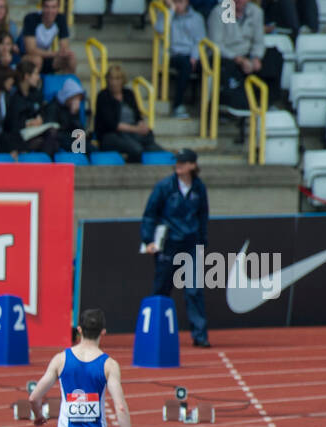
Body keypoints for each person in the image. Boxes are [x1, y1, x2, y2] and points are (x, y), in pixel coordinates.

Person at [142, 148, 211, 347]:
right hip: (168, 245)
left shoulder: (199, 188)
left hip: (191, 244)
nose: (178, 165)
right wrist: (148, 241)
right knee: (162, 289)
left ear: (192, 165)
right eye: (177, 161)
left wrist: (202, 241)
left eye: (183, 161)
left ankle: (200, 335)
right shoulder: (164, 186)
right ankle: (154, 334)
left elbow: (203, 216)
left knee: (194, 290)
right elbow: (150, 214)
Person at [95, 62, 161, 161]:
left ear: (123, 80)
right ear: (107, 79)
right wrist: (136, 129)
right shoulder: (103, 96)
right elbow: (112, 124)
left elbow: (138, 116)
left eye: (117, 79)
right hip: (111, 135)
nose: (114, 82)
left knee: (150, 140)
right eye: (111, 78)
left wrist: (142, 125)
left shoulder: (128, 94)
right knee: (136, 149)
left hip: (131, 132)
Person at [162, 0, 205, 118]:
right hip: (174, 55)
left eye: (180, 1)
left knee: (209, 66)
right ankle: (177, 105)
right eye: (175, 2)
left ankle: (208, 108)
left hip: (192, 55)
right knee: (185, 65)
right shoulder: (166, 14)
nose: (178, 5)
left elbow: (200, 41)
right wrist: (170, 12)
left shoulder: (197, 18)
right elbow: (159, 29)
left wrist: (194, 57)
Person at [20, 0, 75, 75]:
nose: (50, 11)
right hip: (26, 57)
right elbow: (31, 50)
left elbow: (64, 46)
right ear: (42, 7)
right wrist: (55, 54)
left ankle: (69, 84)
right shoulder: (31, 18)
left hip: (46, 56)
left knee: (70, 58)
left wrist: (65, 53)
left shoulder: (61, 19)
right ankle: (34, 85)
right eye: (47, 7)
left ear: (58, 8)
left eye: (53, 7)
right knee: (37, 60)